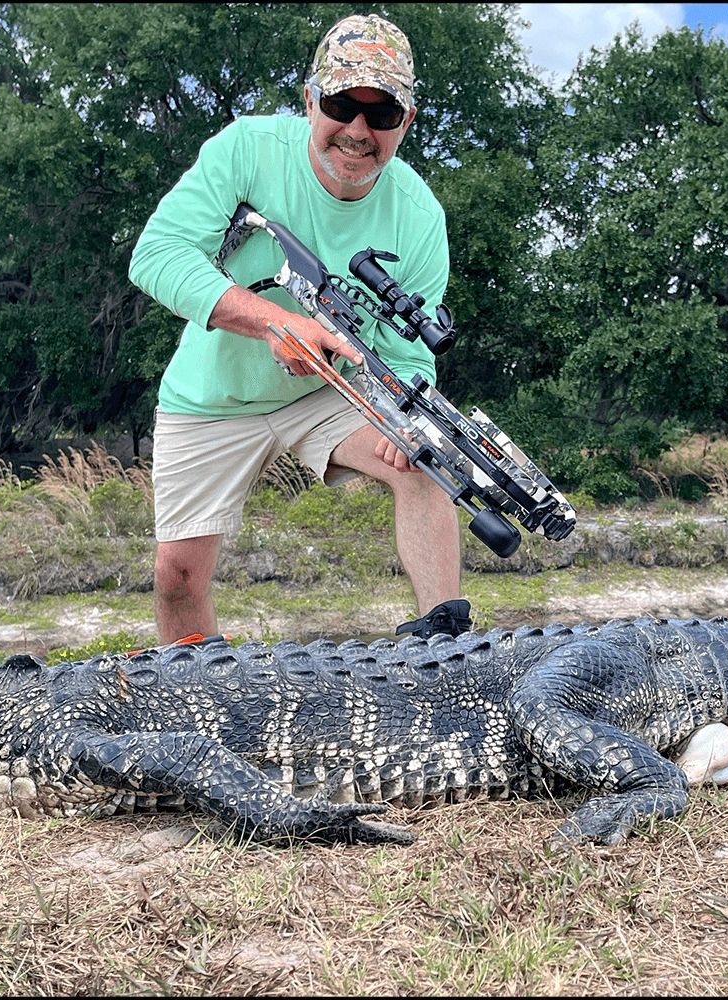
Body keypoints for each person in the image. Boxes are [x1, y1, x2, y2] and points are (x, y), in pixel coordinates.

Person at [127, 13, 472, 644]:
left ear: (407, 122)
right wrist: (274, 323)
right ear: (310, 99)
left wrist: (405, 418)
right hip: (213, 396)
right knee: (177, 577)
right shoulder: (247, 149)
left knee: (426, 456)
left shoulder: (421, 216)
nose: (358, 131)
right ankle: (195, 694)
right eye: (341, 105)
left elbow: (408, 353)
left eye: (382, 113)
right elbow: (156, 255)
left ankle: (446, 652)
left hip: (330, 391)